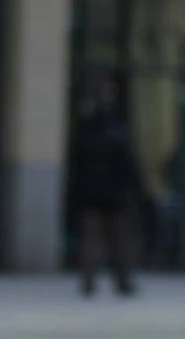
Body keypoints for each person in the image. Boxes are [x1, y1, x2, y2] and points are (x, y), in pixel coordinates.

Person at [70, 79, 143, 297]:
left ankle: (95, 280)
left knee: (99, 240)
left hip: (97, 193)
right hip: (108, 193)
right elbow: (128, 162)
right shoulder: (114, 128)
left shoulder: (89, 127)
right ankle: (117, 280)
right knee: (112, 240)